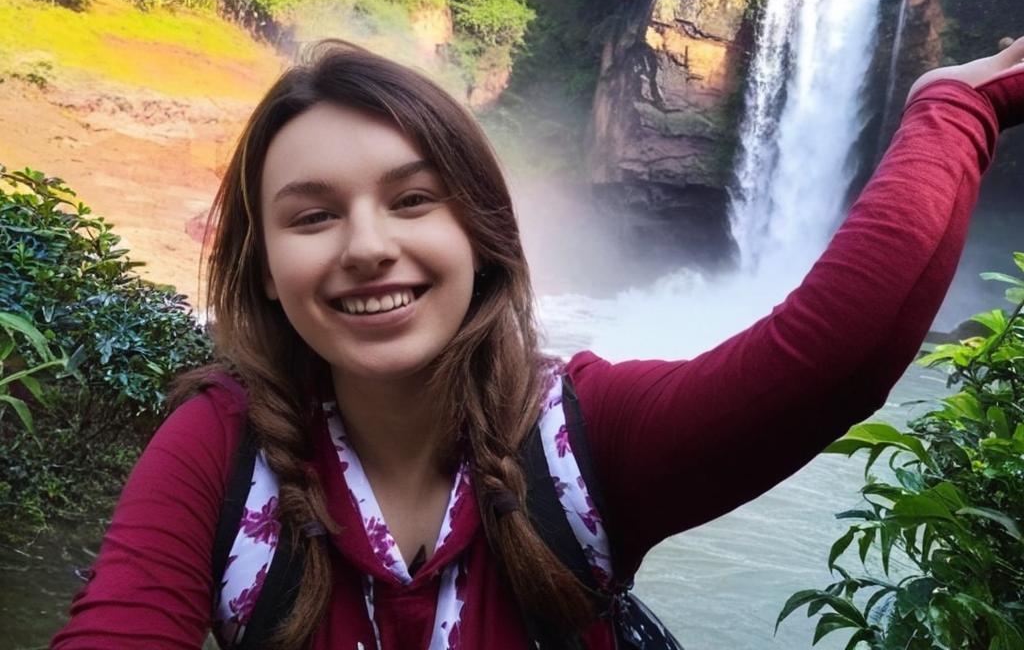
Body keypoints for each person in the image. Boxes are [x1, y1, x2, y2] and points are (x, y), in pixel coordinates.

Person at [52, 36, 1024, 650]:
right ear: (264, 265)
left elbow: (834, 355)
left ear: (477, 229)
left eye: (412, 199)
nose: (368, 246)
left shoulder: (576, 438)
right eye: (311, 217)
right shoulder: (219, 449)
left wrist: (951, 106)